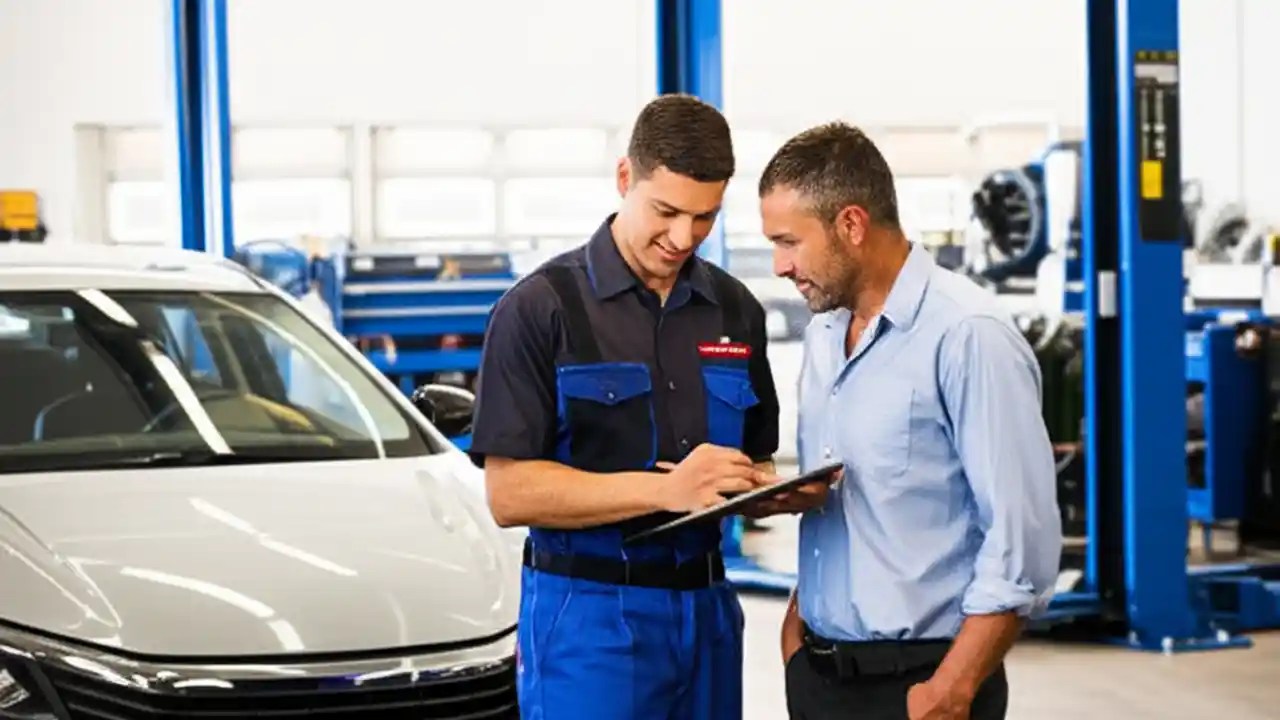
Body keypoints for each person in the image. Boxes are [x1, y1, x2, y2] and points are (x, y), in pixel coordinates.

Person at [467, 93, 794, 720]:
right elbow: (509, 496)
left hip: (708, 614)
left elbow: (755, 458)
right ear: (626, 178)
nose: (682, 237)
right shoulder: (540, 310)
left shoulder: (735, 310)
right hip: (587, 617)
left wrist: (769, 490)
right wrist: (663, 492)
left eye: (705, 218)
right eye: (666, 211)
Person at [758, 122, 1063, 720]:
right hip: (819, 676)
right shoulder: (824, 333)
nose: (778, 265)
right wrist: (798, 632)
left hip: (924, 687)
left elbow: (1021, 539)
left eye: (789, 242)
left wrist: (952, 687)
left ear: (851, 224)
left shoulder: (968, 335)